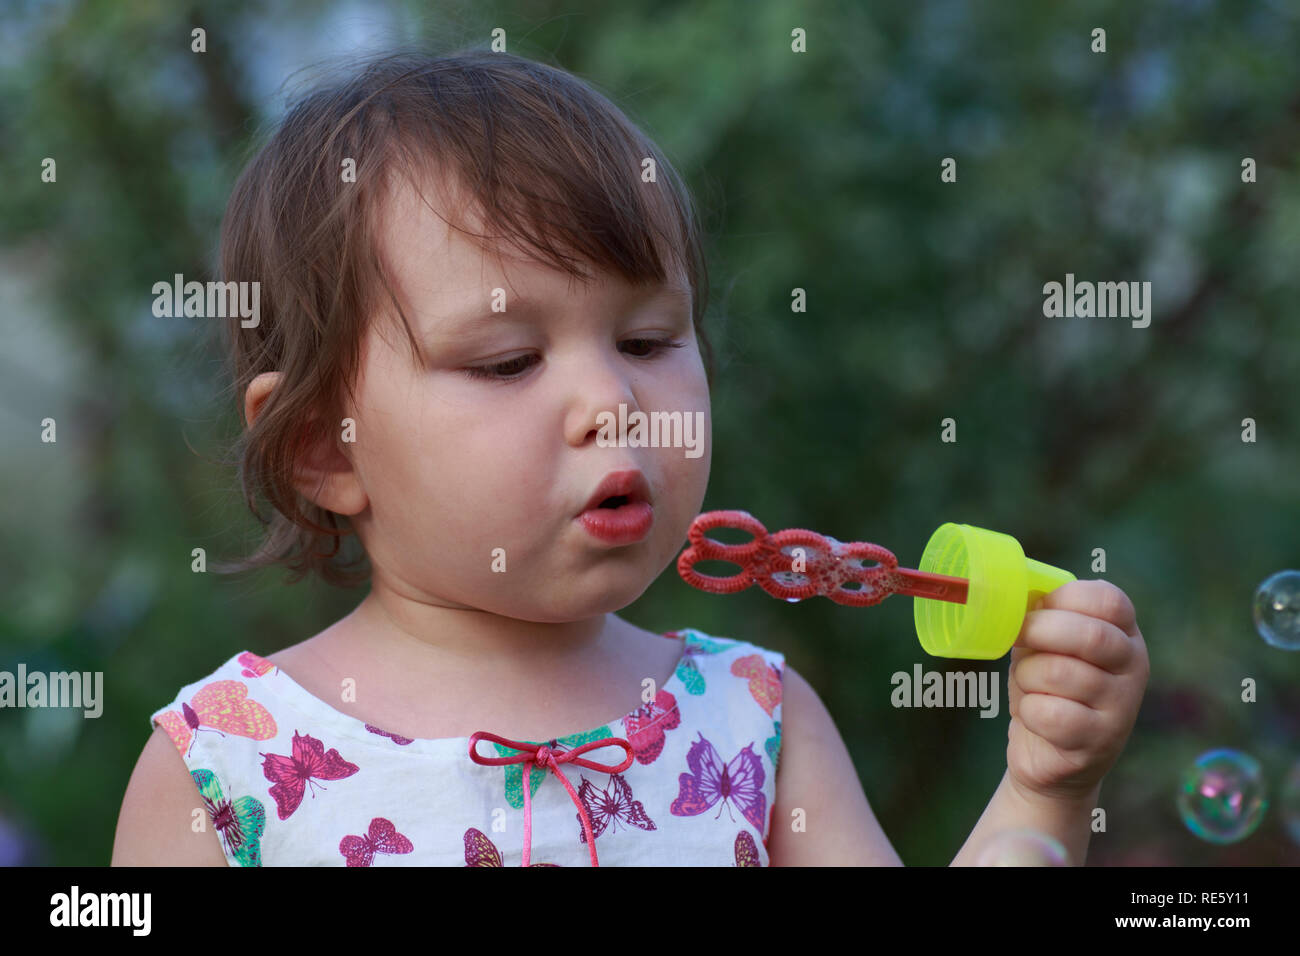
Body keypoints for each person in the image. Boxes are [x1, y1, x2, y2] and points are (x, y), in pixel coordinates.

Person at [111, 49, 1148, 867]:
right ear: (321, 446)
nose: (613, 404)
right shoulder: (223, 764)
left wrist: (1044, 787)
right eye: (510, 359)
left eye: (648, 342)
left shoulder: (755, 723)